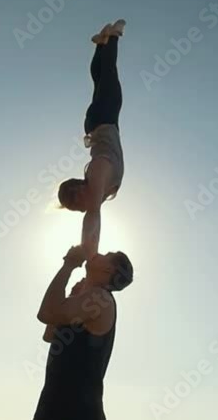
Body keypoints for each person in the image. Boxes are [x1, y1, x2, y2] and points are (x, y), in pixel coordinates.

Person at [34, 245, 134, 420]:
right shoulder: (89, 301)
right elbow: (49, 335)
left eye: (105, 254)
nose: (98, 253)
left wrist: (69, 265)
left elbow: (46, 313)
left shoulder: (100, 298)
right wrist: (71, 297)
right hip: (54, 407)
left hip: (76, 410)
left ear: (109, 268)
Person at [58, 20, 127, 258]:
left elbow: (93, 216)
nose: (82, 208)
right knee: (100, 81)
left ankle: (114, 36)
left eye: (78, 203)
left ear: (79, 188)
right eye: (77, 209)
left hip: (103, 119)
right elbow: (93, 211)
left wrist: (88, 253)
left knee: (109, 78)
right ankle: (101, 44)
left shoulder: (97, 176)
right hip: (97, 123)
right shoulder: (101, 187)